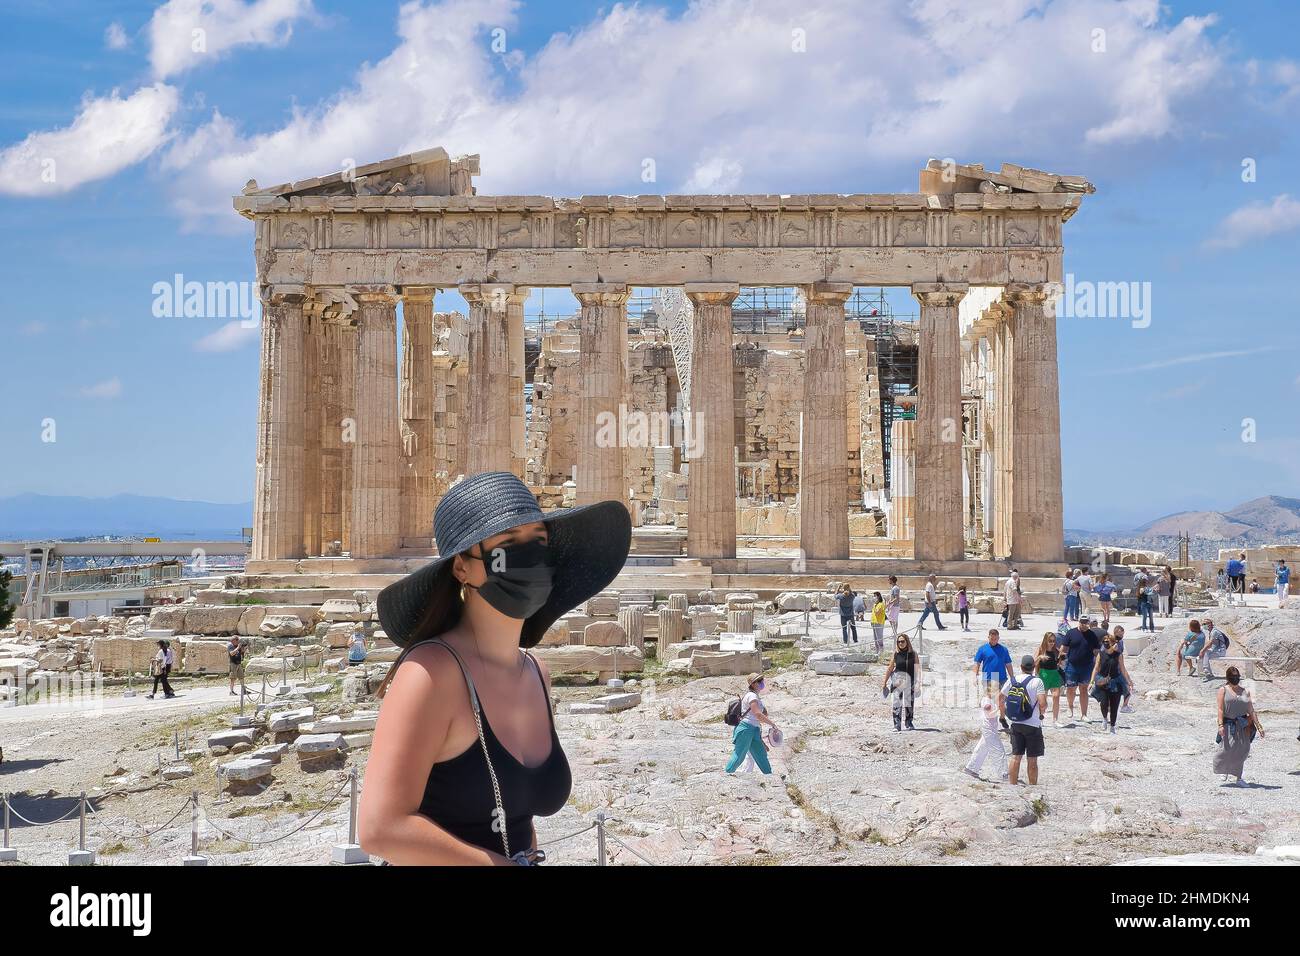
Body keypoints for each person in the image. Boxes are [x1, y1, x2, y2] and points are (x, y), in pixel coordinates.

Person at [358, 471, 631, 865]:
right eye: (508, 543)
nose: (528, 555)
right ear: (462, 568)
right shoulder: (430, 674)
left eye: (537, 540)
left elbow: (519, 816)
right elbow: (380, 829)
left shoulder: (537, 672)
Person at [1001, 655, 1047, 785]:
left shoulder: (1013, 680)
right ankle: (1032, 788)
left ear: (1021, 667)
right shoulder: (1037, 682)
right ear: (1034, 667)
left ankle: (1013, 786)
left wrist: (1003, 715)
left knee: (1016, 757)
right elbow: (1042, 704)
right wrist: (1042, 712)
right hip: (1033, 725)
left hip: (1016, 724)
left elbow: (1000, 697)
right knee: (1032, 760)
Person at [1214, 666, 1264, 786]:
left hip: (1242, 725)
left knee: (1242, 750)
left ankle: (1238, 778)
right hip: (1228, 724)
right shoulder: (1223, 690)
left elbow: (1251, 710)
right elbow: (1220, 709)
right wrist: (1220, 725)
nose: (1235, 679)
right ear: (1228, 678)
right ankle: (1224, 770)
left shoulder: (1245, 692)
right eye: (1233, 677)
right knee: (1226, 749)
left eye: (1237, 677)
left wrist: (1259, 726)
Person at [726, 674, 778, 775]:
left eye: (762, 680)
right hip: (746, 728)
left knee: (761, 754)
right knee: (739, 755)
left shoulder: (756, 696)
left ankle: (769, 776)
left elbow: (762, 713)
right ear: (753, 684)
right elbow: (758, 714)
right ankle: (727, 774)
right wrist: (773, 724)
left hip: (754, 729)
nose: (762, 683)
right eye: (759, 681)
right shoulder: (751, 696)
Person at [1090, 632, 1133, 734]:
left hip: (1116, 681)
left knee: (1115, 704)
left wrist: (1129, 681)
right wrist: (1091, 681)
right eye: (1104, 642)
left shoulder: (1118, 655)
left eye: (1108, 642)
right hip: (1103, 680)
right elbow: (1096, 668)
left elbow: (1123, 669)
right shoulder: (1101, 654)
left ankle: (1113, 726)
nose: (1105, 644)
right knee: (1104, 703)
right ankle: (1105, 718)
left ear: (1113, 643)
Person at [1059, 616, 1100, 722]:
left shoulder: (1092, 635)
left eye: (1086, 623)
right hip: (1072, 665)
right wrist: (1060, 661)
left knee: (1083, 689)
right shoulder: (1071, 633)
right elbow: (1063, 648)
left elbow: (1096, 651)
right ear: (1079, 622)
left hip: (1087, 666)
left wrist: (1099, 663)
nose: (1084, 624)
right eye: (1082, 622)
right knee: (1071, 688)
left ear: (1088, 623)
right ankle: (1070, 706)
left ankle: (1084, 714)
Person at [973, 629, 1014, 726]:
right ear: (988, 637)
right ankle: (992, 719)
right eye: (992, 639)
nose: (994, 640)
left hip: (1002, 677)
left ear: (998, 638)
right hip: (989, 677)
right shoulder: (983, 649)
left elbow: (1008, 664)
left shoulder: (1004, 649)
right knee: (992, 700)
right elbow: (977, 663)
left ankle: (1002, 717)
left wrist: (1012, 677)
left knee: (1002, 699)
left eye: (996, 639)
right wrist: (975, 675)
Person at [963, 696, 1008, 782]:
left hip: (990, 728)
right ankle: (1003, 773)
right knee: (998, 750)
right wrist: (998, 708)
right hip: (989, 729)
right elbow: (989, 714)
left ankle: (971, 768)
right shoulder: (987, 701)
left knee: (982, 748)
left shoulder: (991, 699)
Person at [882, 633, 920, 731]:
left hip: (910, 682)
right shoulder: (896, 654)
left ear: (907, 642)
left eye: (902, 641)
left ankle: (909, 723)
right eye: (899, 642)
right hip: (897, 682)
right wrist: (884, 683)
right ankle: (896, 725)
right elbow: (890, 668)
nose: (900, 643)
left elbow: (917, 669)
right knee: (896, 703)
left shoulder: (913, 654)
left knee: (909, 704)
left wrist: (918, 682)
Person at [1034, 631, 1064, 726]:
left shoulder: (1056, 650)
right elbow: (1033, 662)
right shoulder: (1040, 649)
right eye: (1050, 641)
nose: (1052, 643)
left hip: (1054, 674)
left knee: (1056, 696)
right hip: (1043, 674)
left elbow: (1060, 662)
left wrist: (1062, 659)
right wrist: (1040, 657)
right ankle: (1041, 718)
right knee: (1043, 699)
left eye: (1053, 641)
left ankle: (1055, 720)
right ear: (1045, 640)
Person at [885, 575, 902, 639]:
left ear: (891, 580)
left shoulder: (895, 588)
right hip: (893, 605)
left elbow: (896, 598)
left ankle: (894, 633)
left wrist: (890, 603)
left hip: (894, 606)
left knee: (892, 619)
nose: (888, 581)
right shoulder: (893, 588)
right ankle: (894, 632)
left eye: (889, 580)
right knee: (892, 619)